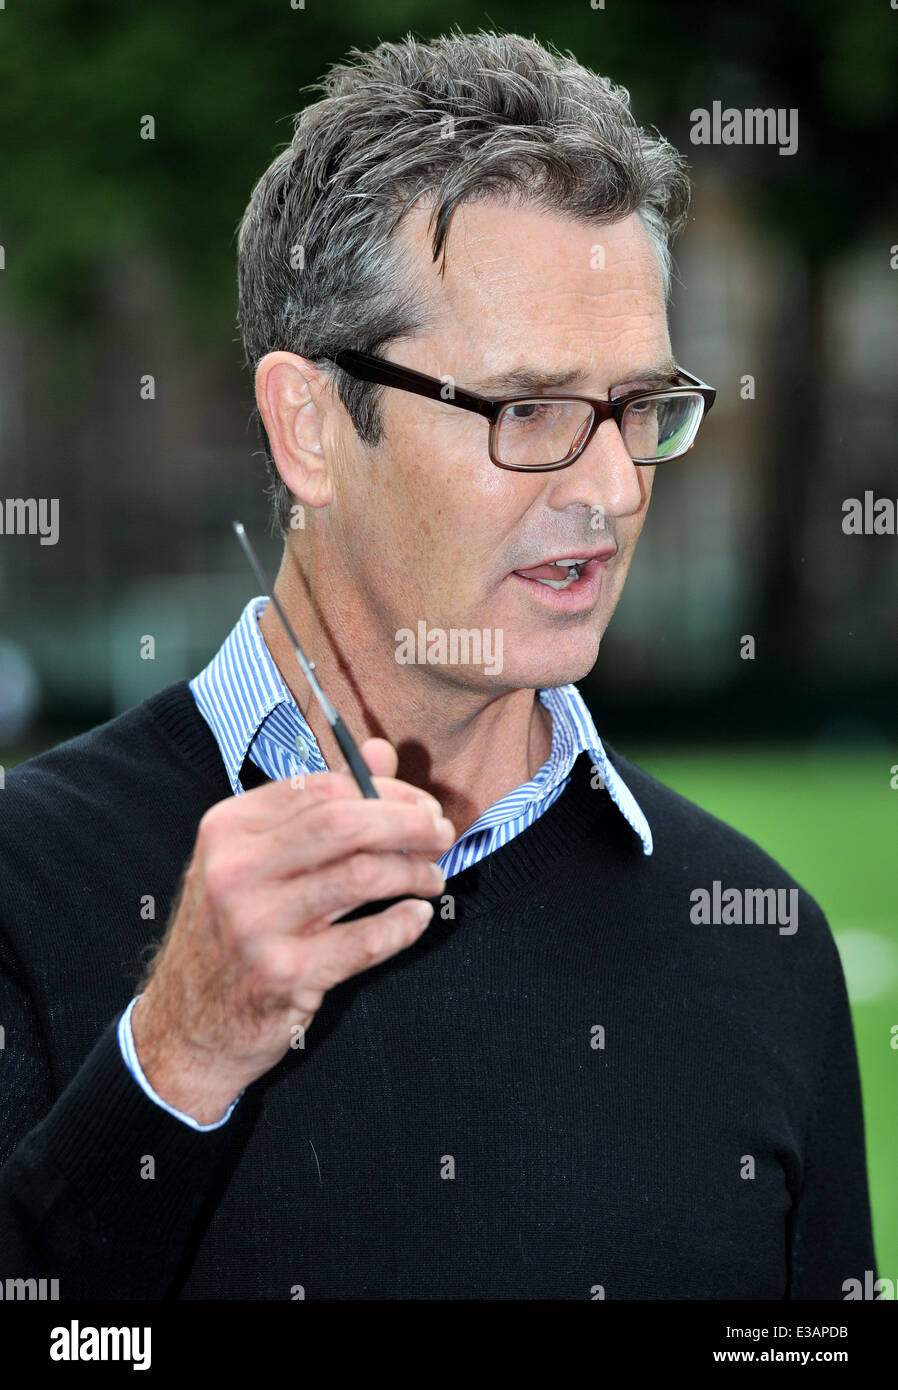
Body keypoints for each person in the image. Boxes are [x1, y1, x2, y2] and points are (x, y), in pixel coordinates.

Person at [0, 29, 876, 1299]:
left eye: (640, 408)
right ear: (307, 424)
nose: (612, 487)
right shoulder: (26, 885)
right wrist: (172, 1060)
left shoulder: (758, 936)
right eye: (527, 408)